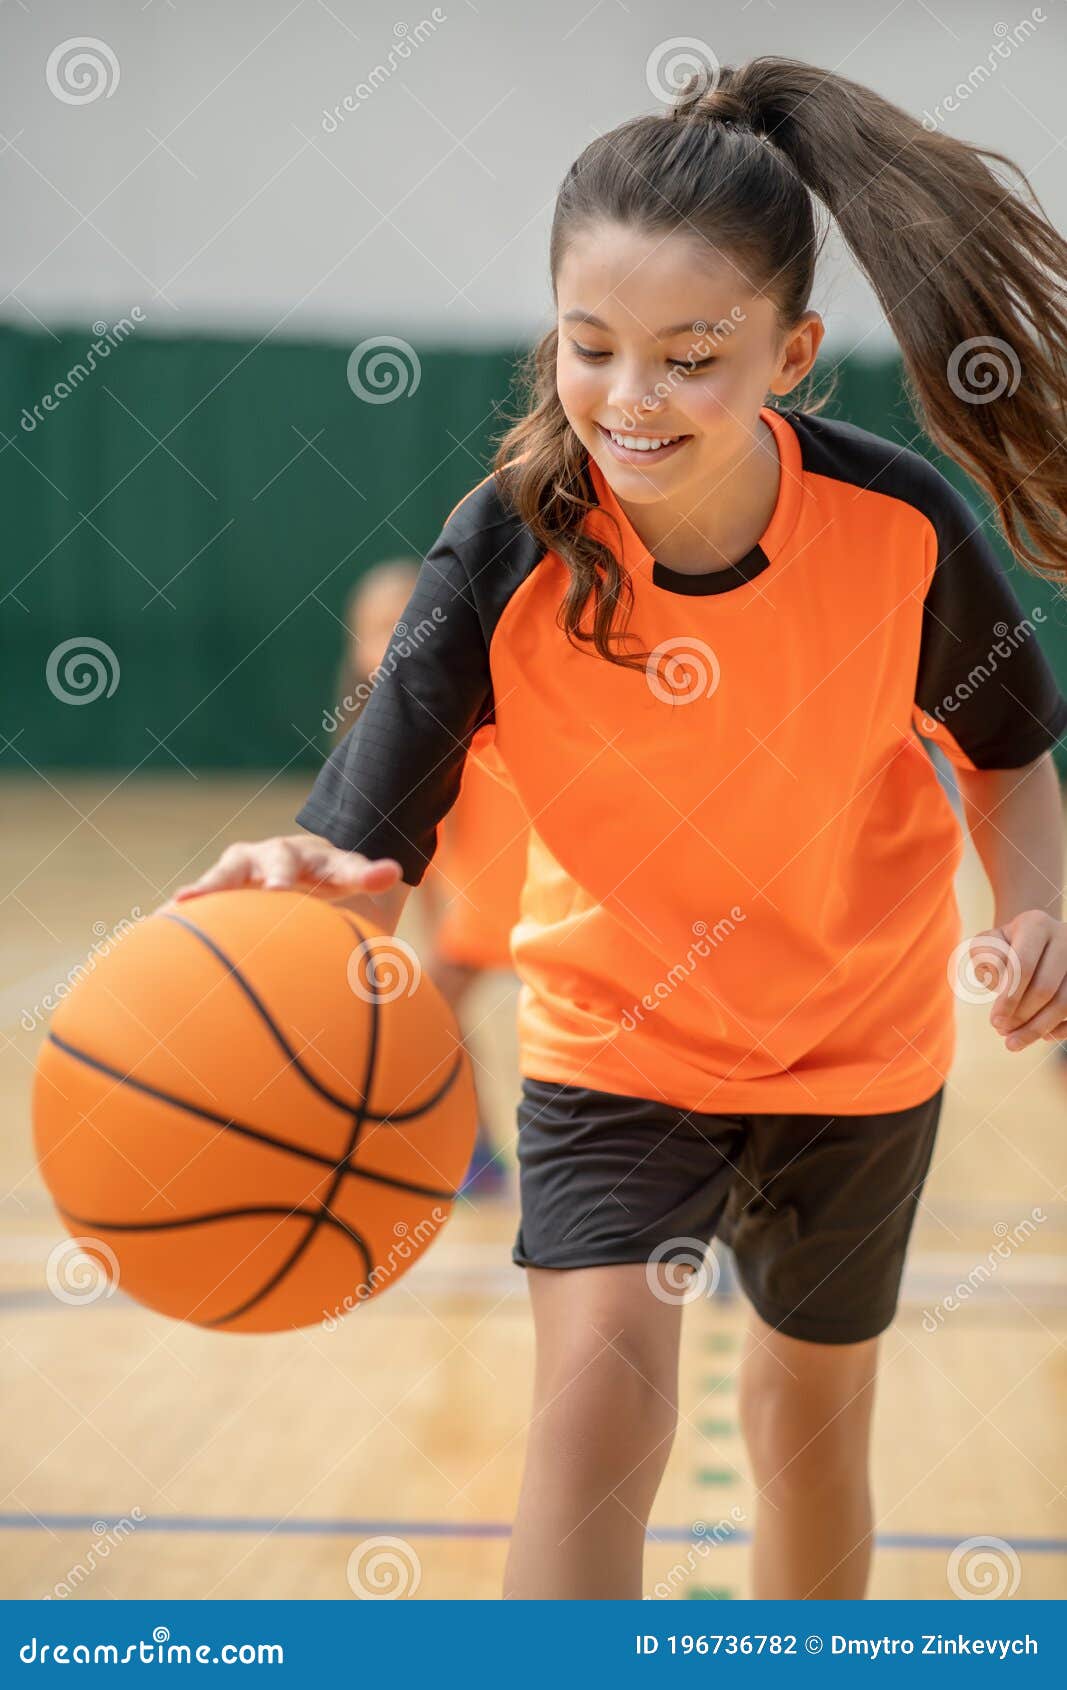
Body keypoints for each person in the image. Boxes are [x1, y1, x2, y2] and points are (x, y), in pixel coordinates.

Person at [173, 56, 1067, 1600]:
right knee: (594, 1416)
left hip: (853, 1046)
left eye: (688, 357)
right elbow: (366, 838)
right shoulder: (505, 541)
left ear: (787, 353)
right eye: (590, 348)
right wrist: (303, 888)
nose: (629, 398)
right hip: (615, 1041)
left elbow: (1004, 758)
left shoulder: (900, 527)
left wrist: (1034, 901)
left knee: (806, 1421)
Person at [327, 560, 528, 1198]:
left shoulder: (483, 701)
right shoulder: (375, 754)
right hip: (481, 918)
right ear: (357, 651)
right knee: (429, 1006)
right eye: (377, 629)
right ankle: (475, 1154)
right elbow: (414, 873)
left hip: (558, 906)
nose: (393, 641)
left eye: (405, 622)